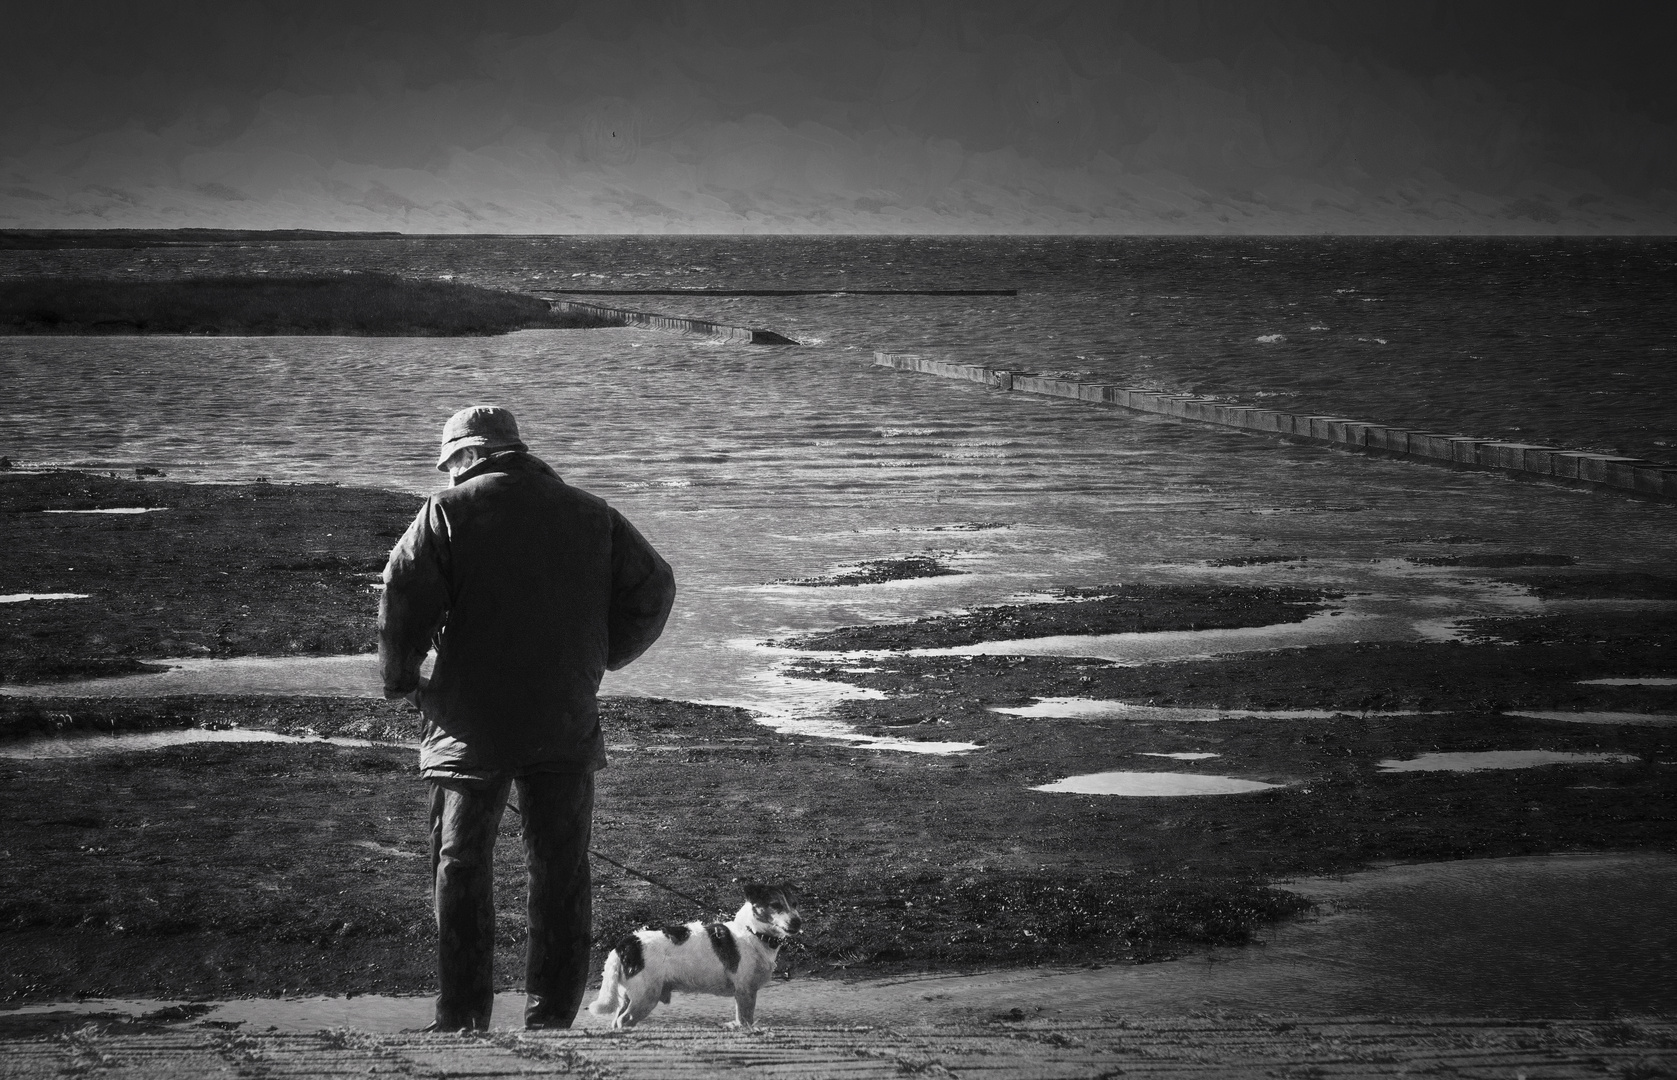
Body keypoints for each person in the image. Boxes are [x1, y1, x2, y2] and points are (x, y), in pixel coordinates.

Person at [379, 405, 676, 1031]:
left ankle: (461, 1017)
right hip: (563, 717)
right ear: (515, 449)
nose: (452, 474)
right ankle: (549, 1017)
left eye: (451, 464)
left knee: (459, 865)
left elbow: (402, 596)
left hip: (469, 726)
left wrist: (402, 678)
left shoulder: (445, 513)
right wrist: (601, 657)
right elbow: (654, 591)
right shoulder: (595, 515)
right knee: (562, 868)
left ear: (465, 457)